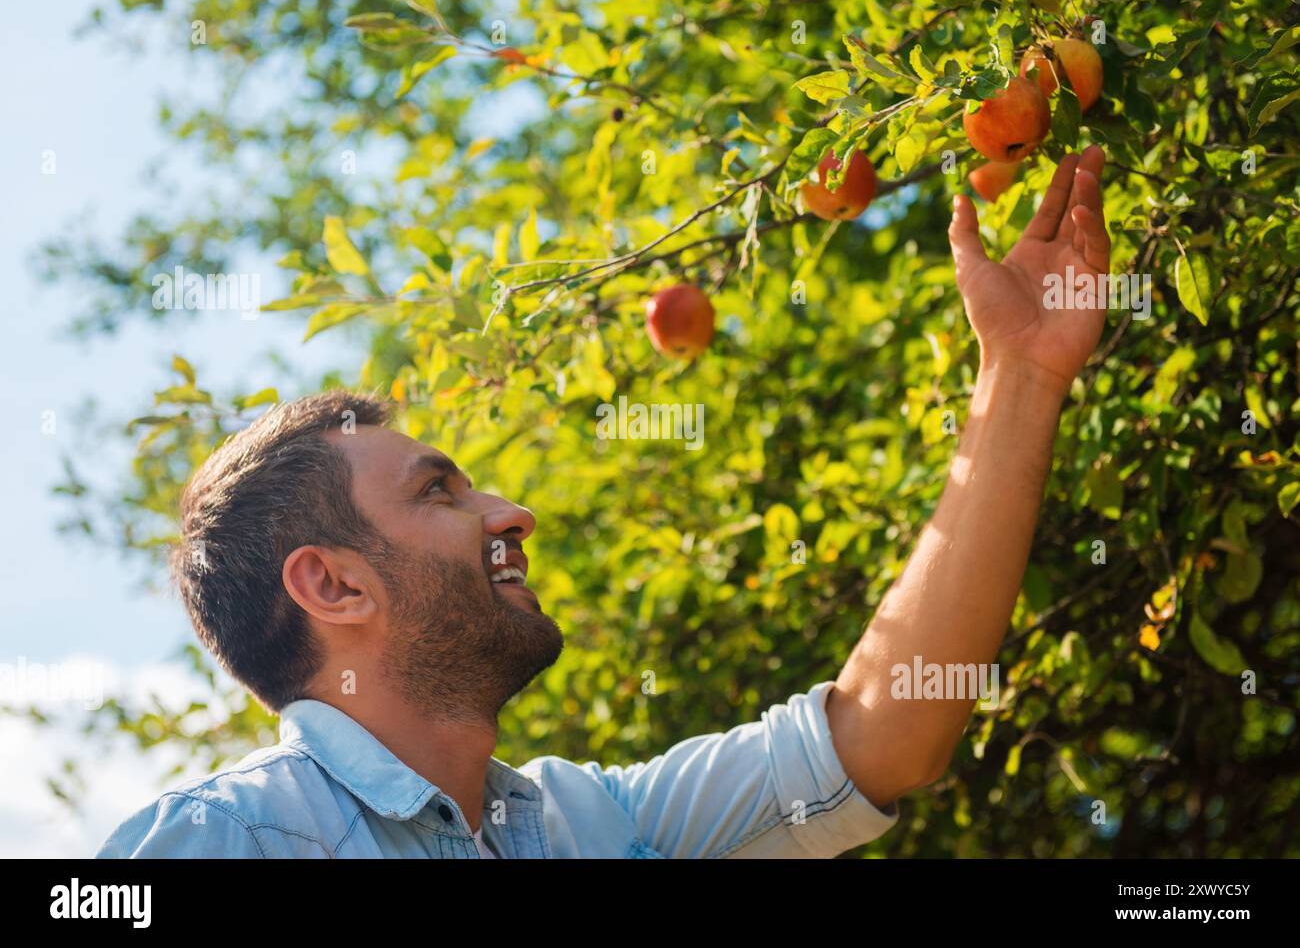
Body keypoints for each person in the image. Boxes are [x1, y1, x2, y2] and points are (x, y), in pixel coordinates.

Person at [97, 147, 1109, 859]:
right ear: (333, 584)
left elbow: (886, 737)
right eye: (437, 491)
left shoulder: (591, 825)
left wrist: (1018, 376)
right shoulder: (218, 843)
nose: (510, 514)